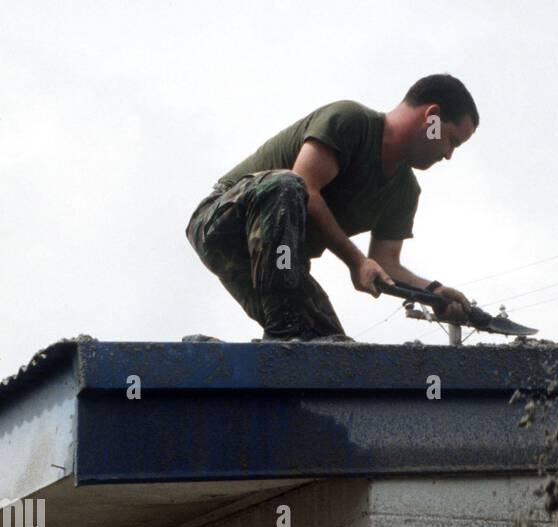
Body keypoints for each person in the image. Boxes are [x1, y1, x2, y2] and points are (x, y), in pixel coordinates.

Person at [186, 74, 479, 341]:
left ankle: (264, 354)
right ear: (432, 118)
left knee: (330, 352)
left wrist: (433, 293)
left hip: (278, 265)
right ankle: (284, 335)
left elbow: (384, 264)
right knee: (288, 186)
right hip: (222, 222)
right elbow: (305, 185)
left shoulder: (404, 192)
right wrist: (354, 260)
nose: (449, 155)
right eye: (452, 140)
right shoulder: (350, 121)